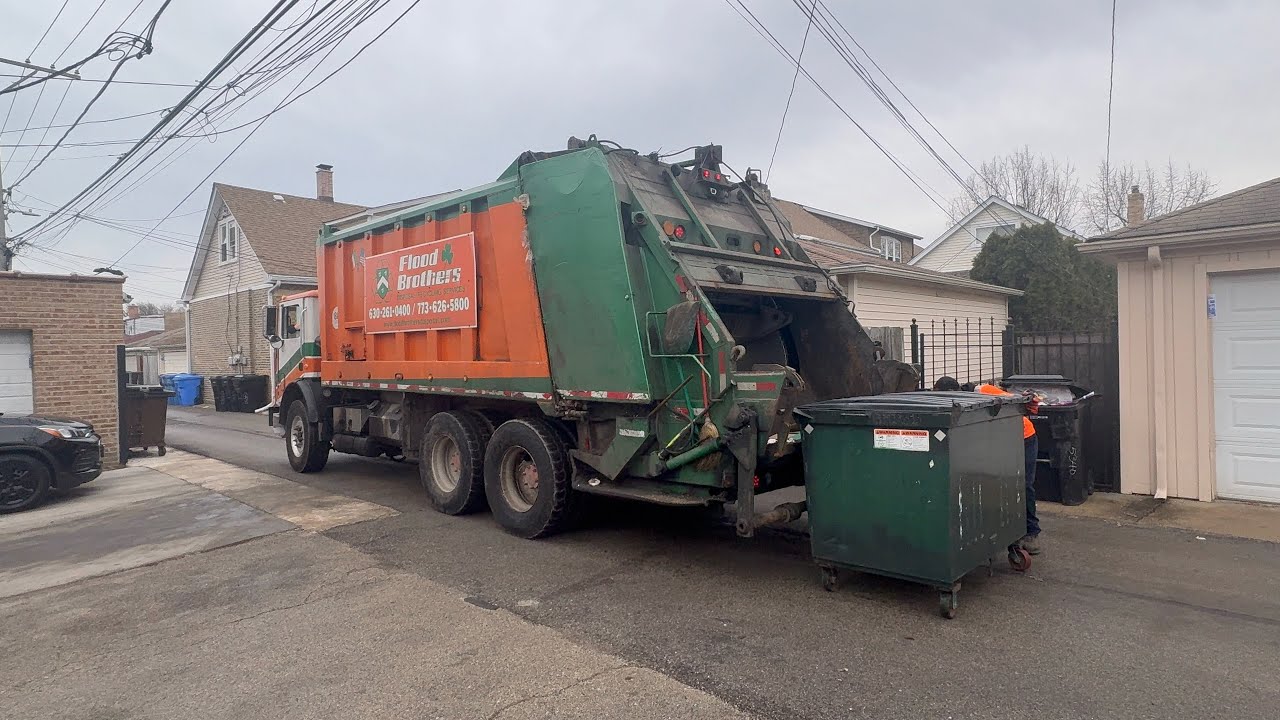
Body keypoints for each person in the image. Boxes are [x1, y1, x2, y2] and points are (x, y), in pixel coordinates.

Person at [975, 381, 1042, 554]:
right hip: (999, 440)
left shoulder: (983, 391)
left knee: (1024, 484)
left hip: (1024, 437)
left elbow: (1018, 401)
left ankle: (1031, 531)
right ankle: (1005, 529)